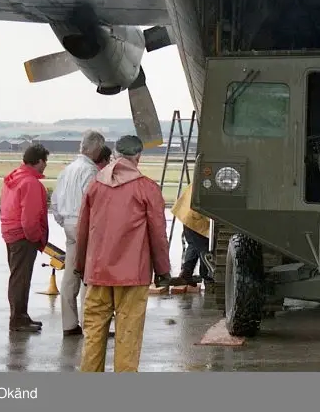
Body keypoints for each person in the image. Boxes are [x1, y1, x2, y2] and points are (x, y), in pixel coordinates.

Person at [74, 135, 172, 372]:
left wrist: (80, 265)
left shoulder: (96, 185)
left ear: (115, 154)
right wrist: (163, 270)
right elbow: (158, 234)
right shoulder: (147, 188)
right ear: (138, 156)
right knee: (128, 336)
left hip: (97, 273)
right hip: (133, 275)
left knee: (94, 334)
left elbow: (83, 230)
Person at [50, 130, 106, 337]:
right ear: (97, 148)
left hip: (68, 224)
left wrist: (63, 220)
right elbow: (93, 203)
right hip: (85, 225)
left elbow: (55, 201)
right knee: (88, 275)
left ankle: (69, 324)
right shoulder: (90, 171)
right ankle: (90, 324)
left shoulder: (67, 170)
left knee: (70, 274)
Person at [0, 144, 50, 333]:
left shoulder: (13, 178)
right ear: (38, 161)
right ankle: (18, 319)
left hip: (10, 232)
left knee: (17, 276)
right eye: (45, 161)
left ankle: (20, 315)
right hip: (23, 236)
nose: (46, 166)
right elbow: (30, 218)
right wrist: (36, 238)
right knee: (21, 278)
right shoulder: (31, 183)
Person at [169, 183, 213, 287]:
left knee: (194, 244)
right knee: (204, 247)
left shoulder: (204, 178)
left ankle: (186, 274)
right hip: (196, 218)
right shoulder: (210, 183)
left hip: (188, 216)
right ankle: (207, 277)